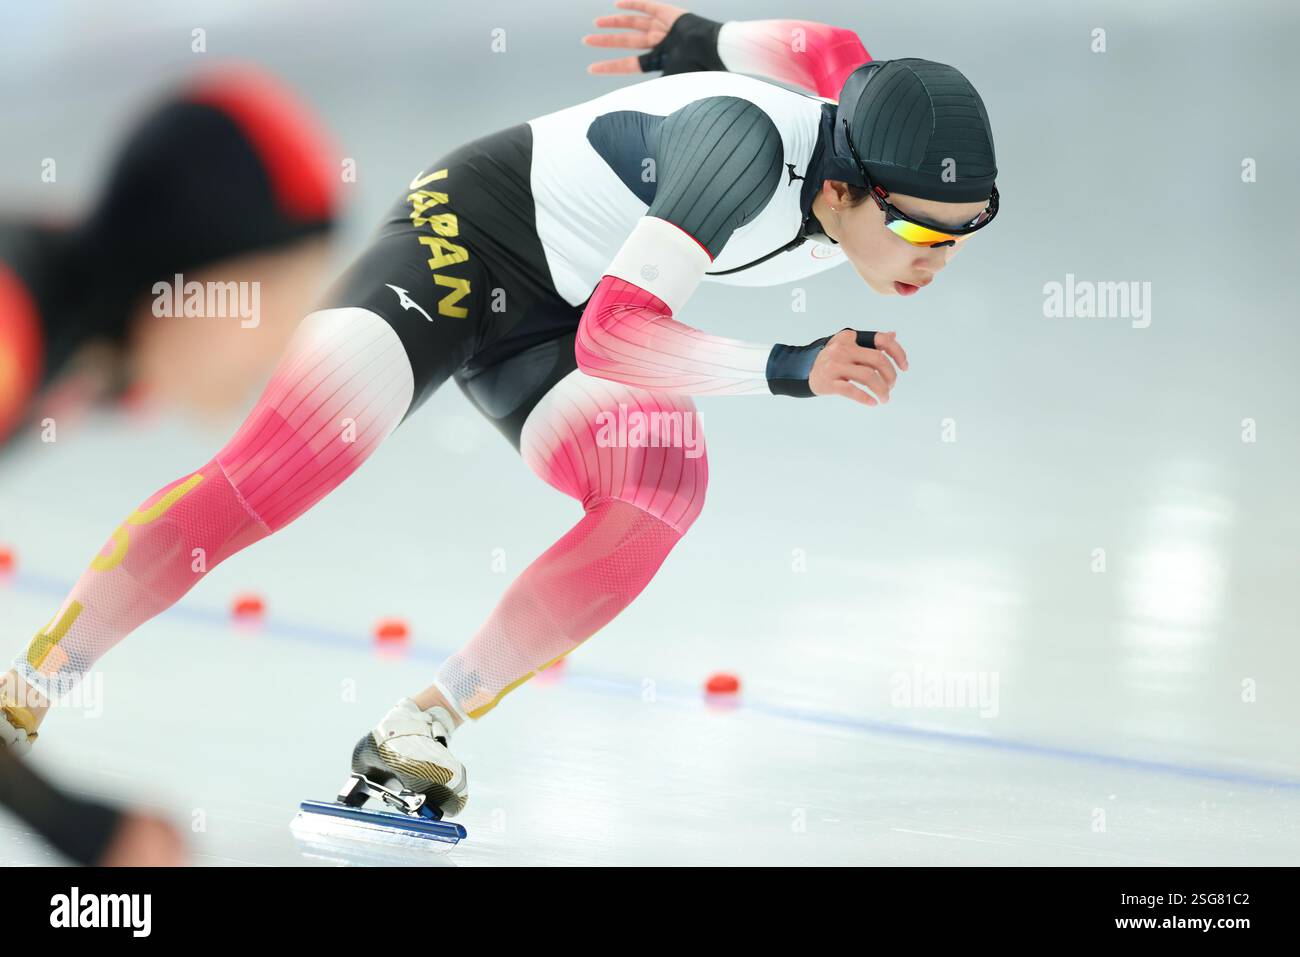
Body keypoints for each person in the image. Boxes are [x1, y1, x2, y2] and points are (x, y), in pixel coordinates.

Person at [1, 4, 998, 823]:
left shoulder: (868, 99)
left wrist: (696, 37)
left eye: (967, 230)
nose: (935, 256)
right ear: (835, 187)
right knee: (283, 469)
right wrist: (789, 365)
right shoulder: (736, 153)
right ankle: (26, 691)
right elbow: (617, 337)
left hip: (574, 304)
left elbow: (817, 46)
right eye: (916, 228)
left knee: (655, 491)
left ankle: (416, 729)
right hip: (469, 243)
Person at [0, 64, 340, 453]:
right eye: (266, 297)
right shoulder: (10, 324)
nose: (283, 345)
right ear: (172, 269)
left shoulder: (114, 362)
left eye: (302, 303)